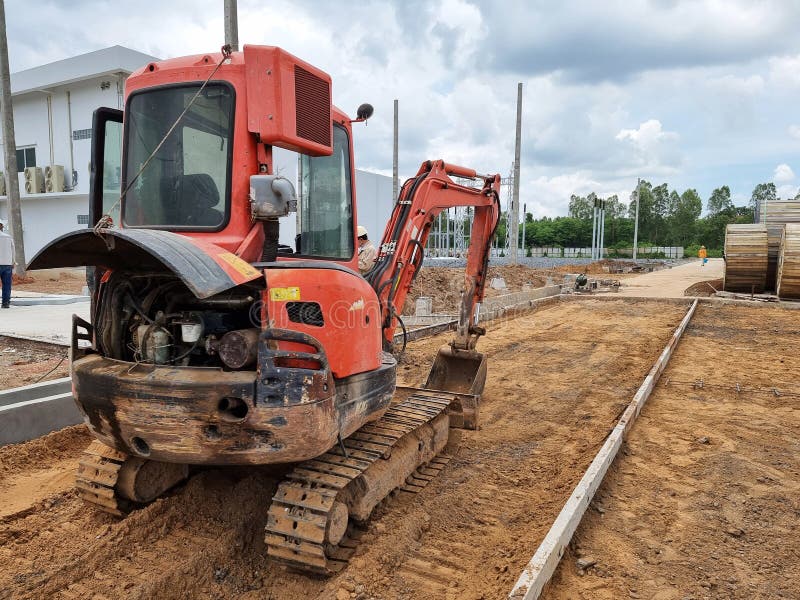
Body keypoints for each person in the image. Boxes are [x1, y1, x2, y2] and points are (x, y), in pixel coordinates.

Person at [0, 222, 15, 308]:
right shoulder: (8, 237)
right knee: (7, 285)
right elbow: (13, 250)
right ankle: (5, 303)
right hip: (7, 264)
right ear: (2, 228)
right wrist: (13, 261)